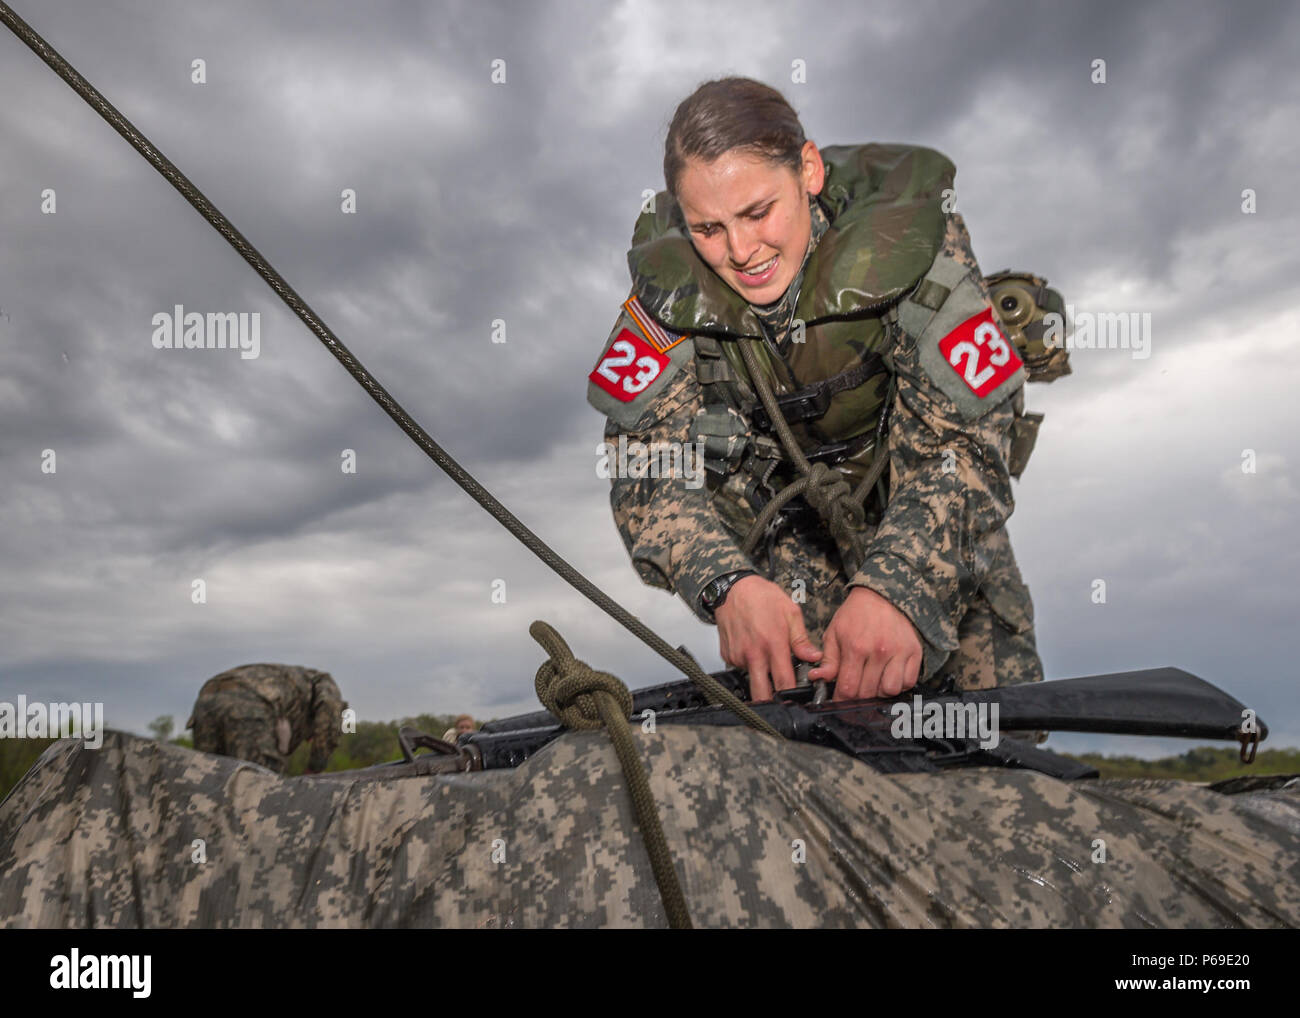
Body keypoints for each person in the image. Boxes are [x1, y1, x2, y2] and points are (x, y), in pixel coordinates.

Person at [587, 77, 1067, 705]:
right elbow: (643, 462)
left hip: (938, 531)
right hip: (795, 560)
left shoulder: (913, 245)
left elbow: (967, 441)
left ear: (808, 170)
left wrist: (897, 588)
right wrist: (725, 584)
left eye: (759, 212)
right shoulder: (668, 294)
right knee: (824, 753)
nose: (740, 251)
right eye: (709, 228)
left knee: (997, 749)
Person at [187, 663, 346, 774]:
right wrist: (315, 769)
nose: (309, 741)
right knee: (262, 790)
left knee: (208, 782)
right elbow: (328, 727)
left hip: (207, 698)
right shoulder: (326, 685)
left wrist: (282, 748)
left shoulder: (294, 685)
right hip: (248, 703)